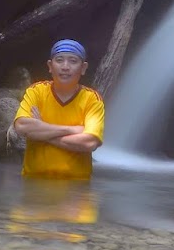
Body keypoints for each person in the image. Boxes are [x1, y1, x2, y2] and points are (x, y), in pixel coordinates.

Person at [12, 39, 106, 180]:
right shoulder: (36, 91)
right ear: (50, 66)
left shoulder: (92, 99)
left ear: (83, 68)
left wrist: (41, 132)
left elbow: (90, 142)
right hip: (34, 183)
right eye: (59, 60)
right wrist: (72, 130)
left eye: (73, 61)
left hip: (76, 190)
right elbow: (21, 126)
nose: (65, 67)